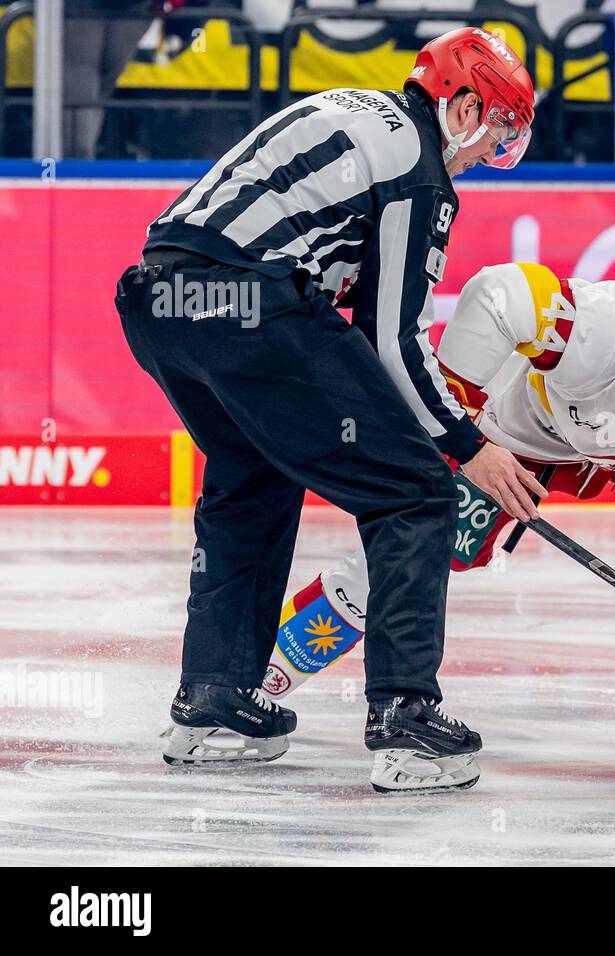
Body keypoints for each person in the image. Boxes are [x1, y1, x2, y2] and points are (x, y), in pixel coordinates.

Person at [115, 27, 542, 793]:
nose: (491, 157)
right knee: (415, 492)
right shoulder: (418, 166)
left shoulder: (355, 109)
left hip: (156, 299)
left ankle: (213, 697)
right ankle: (405, 713)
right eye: (499, 134)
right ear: (466, 104)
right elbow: (392, 337)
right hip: (249, 306)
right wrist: (465, 445)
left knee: (251, 476)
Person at [262, 275, 615, 699]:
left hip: (609, 460)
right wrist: (448, 426)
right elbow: (496, 294)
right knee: (420, 547)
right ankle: (269, 673)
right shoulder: (609, 330)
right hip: (517, 441)